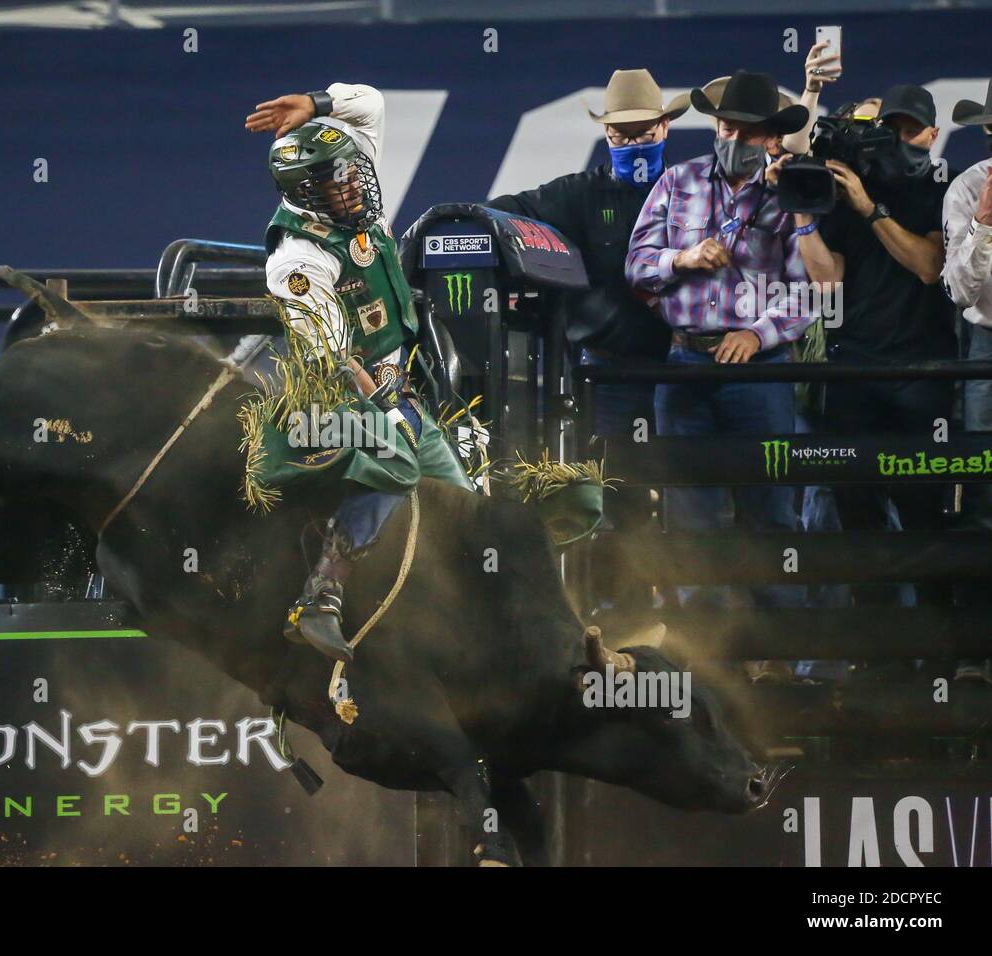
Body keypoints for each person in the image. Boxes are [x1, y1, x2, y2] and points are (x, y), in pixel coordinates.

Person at [245, 82, 474, 663]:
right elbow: (336, 358)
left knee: (461, 499)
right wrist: (391, 411)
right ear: (305, 194)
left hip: (392, 383)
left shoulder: (350, 174)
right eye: (335, 184)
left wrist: (314, 104)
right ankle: (321, 596)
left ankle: (451, 602)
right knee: (395, 453)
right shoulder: (298, 260)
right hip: (326, 407)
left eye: (353, 175)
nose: (352, 187)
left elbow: (369, 102)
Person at [486, 68, 688, 620]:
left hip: (690, 368)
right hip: (613, 373)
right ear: (607, 136)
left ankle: (700, 616)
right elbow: (505, 212)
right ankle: (627, 614)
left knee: (694, 491)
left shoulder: (696, 193)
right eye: (622, 134)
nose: (633, 142)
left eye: (644, 131)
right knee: (618, 497)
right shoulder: (581, 194)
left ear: (666, 128)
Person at [625, 70, 813, 633]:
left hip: (760, 371)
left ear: (770, 138)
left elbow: (807, 290)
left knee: (771, 511)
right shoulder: (677, 182)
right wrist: (679, 260)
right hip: (686, 363)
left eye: (746, 130)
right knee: (689, 511)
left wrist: (757, 333)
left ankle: (785, 654)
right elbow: (636, 267)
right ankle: (706, 656)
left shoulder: (789, 197)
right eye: (725, 125)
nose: (731, 137)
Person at [779, 85, 957, 621]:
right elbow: (827, 278)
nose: (893, 140)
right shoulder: (841, 186)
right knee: (858, 518)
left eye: (905, 130)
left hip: (921, 374)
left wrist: (869, 207)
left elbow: (929, 266)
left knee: (924, 514)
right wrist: (804, 212)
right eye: (887, 128)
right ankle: (878, 655)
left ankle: (938, 650)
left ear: (930, 135)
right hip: (852, 372)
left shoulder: (938, 187)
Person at [942, 80, 992, 684]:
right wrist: (983, 225)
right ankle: (981, 655)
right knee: (983, 501)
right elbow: (959, 291)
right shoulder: (968, 188)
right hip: (987, 349)